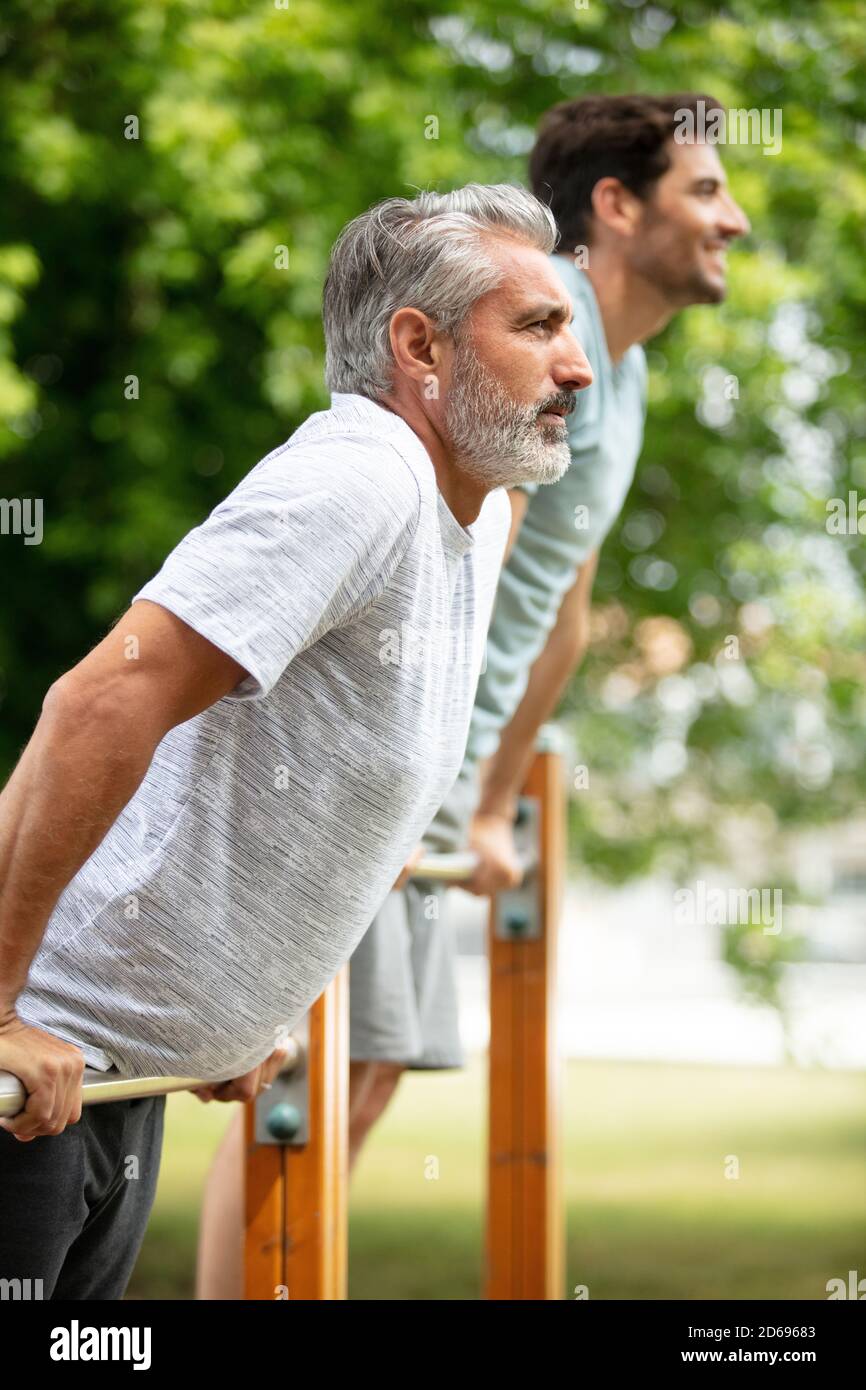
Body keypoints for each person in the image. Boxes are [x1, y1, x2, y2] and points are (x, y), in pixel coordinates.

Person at [195, 91, 750, 1300]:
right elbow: (472, 551)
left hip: (449, 781)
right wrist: (424, 783)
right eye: (704, 190)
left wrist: (491, 803)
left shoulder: (623, 372)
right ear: (615, 203)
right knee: (320, 1074)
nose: (735, 217)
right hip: (404, 764)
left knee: (372, 1063)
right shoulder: (542, 359)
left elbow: (565, 608)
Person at [0, 182, 594, 1300]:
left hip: (115, 1084)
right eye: (535, 326)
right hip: (34, 1073)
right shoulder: (360, 477)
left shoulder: (467, 524)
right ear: (418, 346)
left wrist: (239, 1019)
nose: (577, 367)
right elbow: (94, 704)